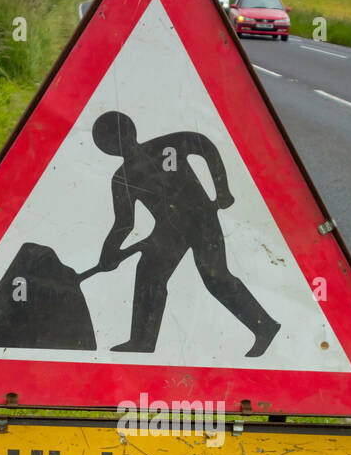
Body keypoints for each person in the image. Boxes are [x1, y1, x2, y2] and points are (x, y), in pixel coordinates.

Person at [92, 110, 280, 356]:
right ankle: (142, 341)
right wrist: (108, 253)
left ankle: (264, 326)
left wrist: (222, 190)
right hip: (168, 230)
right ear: (106, 149)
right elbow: (124, 223)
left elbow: (204, 146)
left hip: (201, 217)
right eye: (110, 142)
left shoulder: (167, 145)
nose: (118, 144)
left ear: (130, 131)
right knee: (149, 275)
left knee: (215, 277)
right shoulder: (122, 178)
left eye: (117, 137)